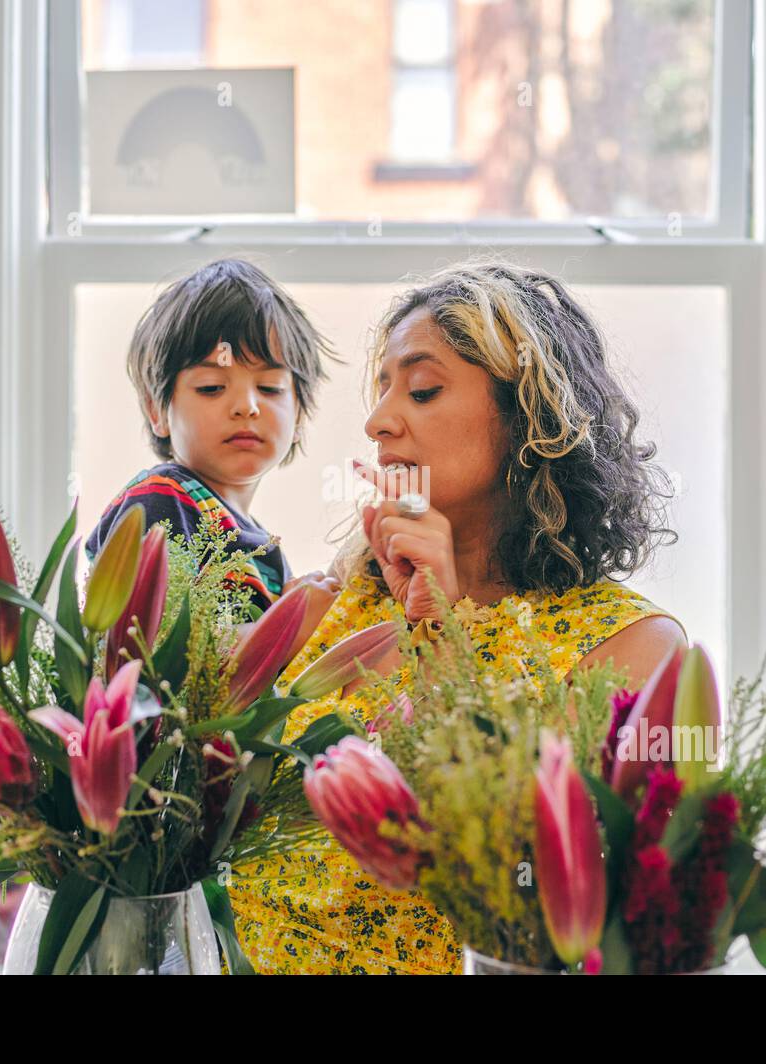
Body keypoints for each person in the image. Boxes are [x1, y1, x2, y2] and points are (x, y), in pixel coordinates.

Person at [227, 262, 686, 974]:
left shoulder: (630, 650)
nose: (378, 421)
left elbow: (546, 910)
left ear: (528, 418)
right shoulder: (334, 603)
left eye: (422, 389)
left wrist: (441, 632)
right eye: (382, 390)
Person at [86, 258, 337, 613]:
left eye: (269, 387)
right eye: (211, 387)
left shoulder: (264, 547)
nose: (247, 406)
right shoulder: (162, 500)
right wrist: (290, 623)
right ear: (157, 412)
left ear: (298, 416)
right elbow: (153, 639)